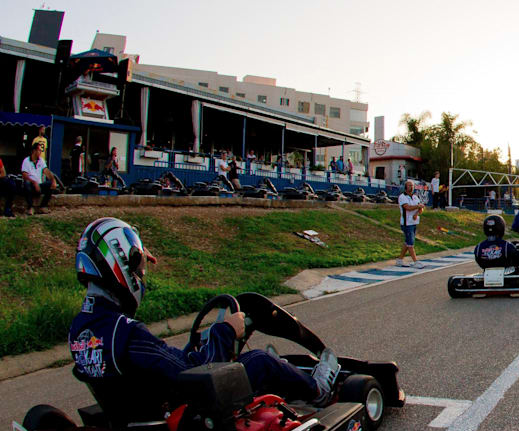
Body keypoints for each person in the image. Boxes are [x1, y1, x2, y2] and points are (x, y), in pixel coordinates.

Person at [69, 218, 340, 417]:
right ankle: (318, 389)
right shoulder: (129, 333)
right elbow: (195, 372)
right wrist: (224, 330)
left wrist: (196, 345)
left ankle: (282, 375)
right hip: (183, 412)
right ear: (119, 264)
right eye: (138, 266)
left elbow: (164, 364)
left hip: (136, 411)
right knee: (260, 360)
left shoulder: (82, 330)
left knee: (209, 351)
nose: (142, 274)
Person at [397, 180, 425, 268]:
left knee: (407, 242)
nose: (411, 187)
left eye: (412, 186)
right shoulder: (402, 197)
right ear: (405, 187)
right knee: (410, 242)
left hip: (414, 222)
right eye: (409, 185)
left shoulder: (415, 197)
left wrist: (417, 212)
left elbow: (421, 207)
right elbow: (407, 207)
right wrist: (418, 206)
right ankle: (415, 261)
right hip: (406, 223)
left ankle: (400, 260)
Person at [20, 143, 56, 212]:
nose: (40, 152)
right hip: (31, 185)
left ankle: (43, 206)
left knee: (50, 184)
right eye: (39, 150)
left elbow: (46, 171)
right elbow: (24, 175)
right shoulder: (26, 161)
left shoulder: (41, 160)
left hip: (39, 186)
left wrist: (53, 180)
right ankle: (30, 207)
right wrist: (34, 182)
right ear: (34, 151)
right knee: (26, 184)